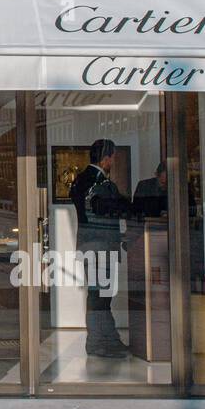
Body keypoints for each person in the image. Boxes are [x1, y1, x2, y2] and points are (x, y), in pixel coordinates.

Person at [69, 138, 133, 359]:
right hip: (101, 246)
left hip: (91, 245)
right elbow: (108, 210)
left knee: (101, 294)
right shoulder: (99, 183)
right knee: (100, 295)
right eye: (113, 156)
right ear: (106, 158)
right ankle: (99, 341)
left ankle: (106, 338)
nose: (114, 161)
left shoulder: (80, 180)